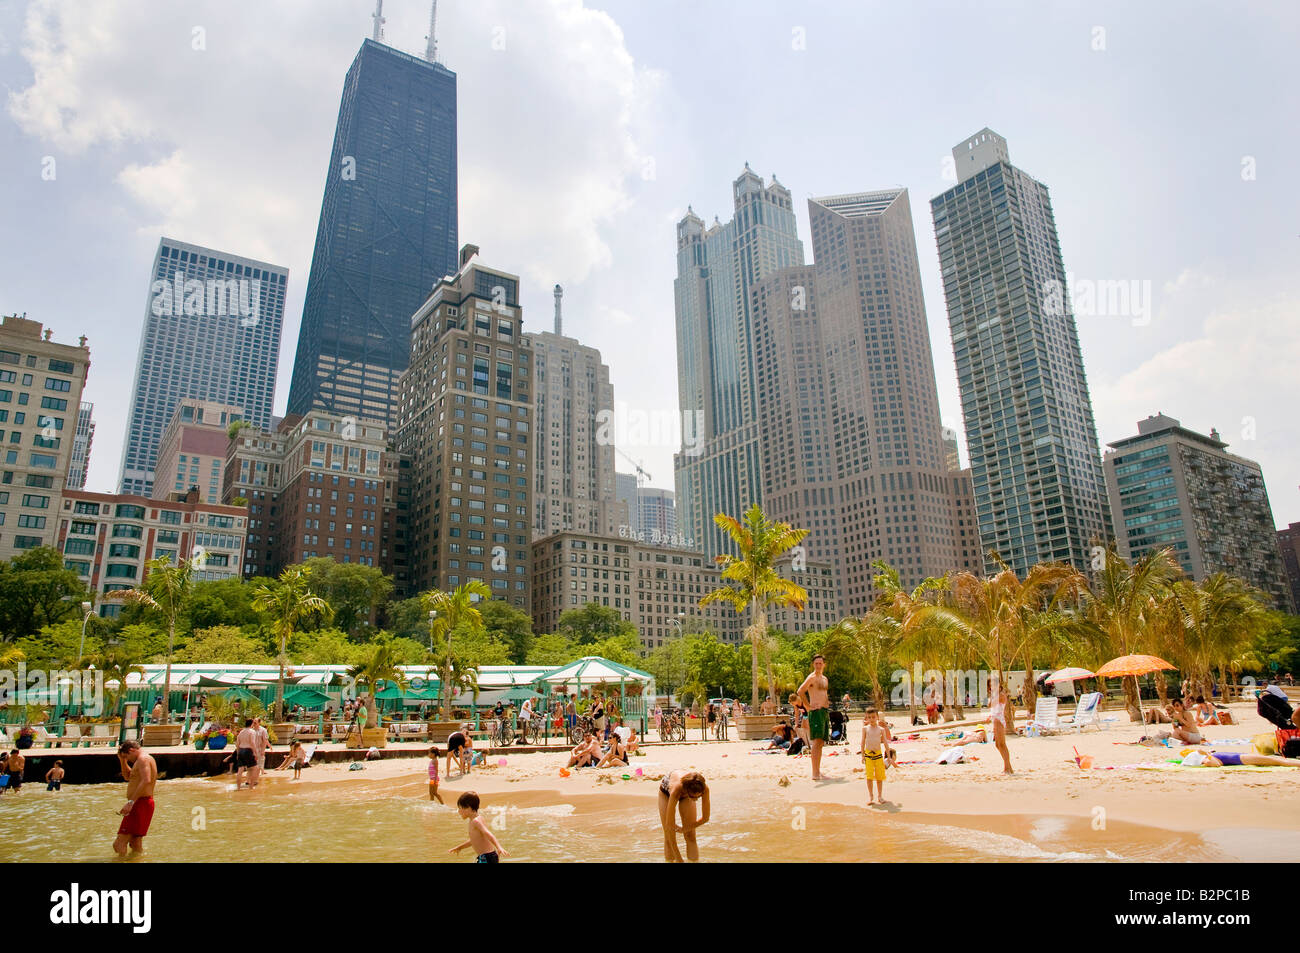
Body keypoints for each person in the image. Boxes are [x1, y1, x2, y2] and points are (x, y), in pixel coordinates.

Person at [114, 740, 157, 856]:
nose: (128, 759)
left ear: (131, 750)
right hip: (143, 803)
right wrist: (122, 760)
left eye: (127, 756)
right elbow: (128, 777)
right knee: (135, 842)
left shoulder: (143, 759)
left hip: (140, 803)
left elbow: (146, 780)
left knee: (118, 843)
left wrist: (131, 802)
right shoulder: (141, 760)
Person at [658, 770, 709, 863]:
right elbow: (670, 826)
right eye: (694, 797)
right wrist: (679, 859)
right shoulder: (676, 790)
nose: (696, 799)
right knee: (668, 836)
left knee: (690, 835)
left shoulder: (704, 788)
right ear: (687, 791)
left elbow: (705, 818)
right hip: (666, 790)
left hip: (688, 790)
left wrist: (684, 829)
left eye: (699, 796)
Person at [796, 654, 831, 780]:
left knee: (821, 742)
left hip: (824, 711)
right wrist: (808, 706)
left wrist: (826, 703)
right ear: (813, 664)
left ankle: (818, 771)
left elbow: (823, 693)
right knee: (816, 742)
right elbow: (800, 691)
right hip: (815, 712)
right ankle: (814, 773)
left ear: (824, 664)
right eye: (816, 663)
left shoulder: (824, 678)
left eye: (820, 663)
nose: (818, 665)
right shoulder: (811, 677)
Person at [449, 791, 508, 862]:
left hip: (486, 857)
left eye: (460, 808)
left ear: (468, 807)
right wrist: (459, 847)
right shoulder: (476, 820)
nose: (458, 811)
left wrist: (499, 847)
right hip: (487, 856)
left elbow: (488, 834)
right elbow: (474, 841)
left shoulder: (476, 821)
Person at [859, 708, 892, 805]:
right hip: (868, 755)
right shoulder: (865, 729)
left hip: (878, 755)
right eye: (869, 717)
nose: (871, 719)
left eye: (873, 717)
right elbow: (862, 742)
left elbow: (885, 743)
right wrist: (862, 755)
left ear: (877, 717)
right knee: (869, 777)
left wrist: (889, 756)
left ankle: (880, 796)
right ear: (866, 718)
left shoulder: (881, 730)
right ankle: (871, 796)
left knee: (879, 777)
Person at [989, 679, 1012, 775]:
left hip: (999, 720)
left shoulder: (1000, 695)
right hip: (995, 719)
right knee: (998, 744)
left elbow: (990, 704)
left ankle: (1007, 767)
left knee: (1002, 744)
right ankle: (1008, 767)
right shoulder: (996, 695)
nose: (992, 687)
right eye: (991, 685)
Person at [1183, 750, 1300, 768]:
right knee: (1277, 761)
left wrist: (1207, 753)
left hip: (1240, 757)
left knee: (1276, 759)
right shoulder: (1207, 758)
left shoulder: (1206, 756)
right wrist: (1207, 754)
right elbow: (1215, 764)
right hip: (1241, 758)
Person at [235, 719, 258, 788]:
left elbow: (237, 744)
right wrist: (255, 753)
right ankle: (251, 787)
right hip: (248, 750)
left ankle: (238, 787)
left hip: (241, 750)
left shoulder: (241, 732)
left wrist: (237, 753)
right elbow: (252, 742)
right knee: (254, 768)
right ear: (251, 724)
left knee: (240, 770)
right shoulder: (252, 732)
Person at [251, 716, 271, 788]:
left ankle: (256, 780)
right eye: (253, 722)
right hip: (252, 750)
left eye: (255, 722)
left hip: (259, 749)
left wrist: (263, 750)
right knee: (252, 765)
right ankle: (251, 779)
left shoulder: (263, 730)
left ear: (259, 723)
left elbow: (265, 740)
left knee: (259, 765)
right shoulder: (251, 730)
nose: (254, 724)